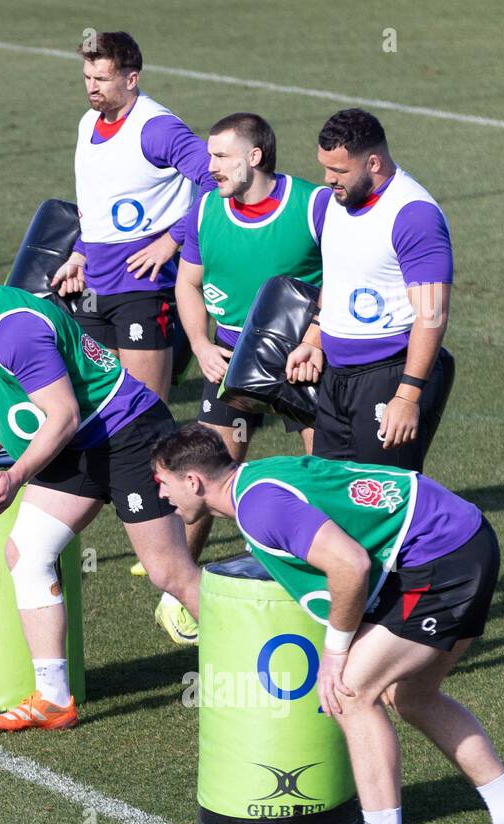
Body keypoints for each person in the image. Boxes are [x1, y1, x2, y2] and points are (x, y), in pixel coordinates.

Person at [152, 423, 504, 824]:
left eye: (162, 483)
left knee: (349, 692)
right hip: (459, 538)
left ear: (193, 481)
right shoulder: (259, 479)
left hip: (441, 553)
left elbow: (350, 565)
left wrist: (335, 652)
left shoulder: (259, 507)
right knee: (412, 697)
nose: (161, 497)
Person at [0, 229, 201, 733]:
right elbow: (7, 413)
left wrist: (17, 475)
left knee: (168, 573)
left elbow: (61, 415)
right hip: (79, 443)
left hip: (126, 434)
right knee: (26, 552)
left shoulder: (11, 330)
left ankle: (254, 663)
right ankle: (54, 699)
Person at [174, 112, 326, 558]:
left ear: (254, 156)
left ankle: (322, 577)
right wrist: (201, 345)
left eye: (221, 156)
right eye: (209, 156)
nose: (211, 166)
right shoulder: (205, 208)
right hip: (227, 351)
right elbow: (188, 283)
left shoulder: (313, 205)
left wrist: (313, 341)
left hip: (299, 355)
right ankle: (181, 588)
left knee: (322, 472)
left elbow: (344, 276)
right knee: (203, 473)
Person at [50, 31, 214, 402]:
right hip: (95, 287)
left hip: (143, 288)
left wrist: (172, 240)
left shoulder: (157, 128)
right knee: (102, 406)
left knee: (146, 410)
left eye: (102, 79)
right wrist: (79, 253)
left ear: (131, 78)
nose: (92, 88)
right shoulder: (87, 123)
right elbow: (96, 203)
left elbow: (215, 182)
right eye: (88, 78)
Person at [286, 109, 453, 471]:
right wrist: (314, 339)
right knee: (331, 492)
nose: (329, 180)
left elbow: (432, 313)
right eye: (325, 168)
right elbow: (341, 277)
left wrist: (407, 396)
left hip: (387, 375)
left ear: (373, 162)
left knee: (383, 500)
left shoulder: (413, 215)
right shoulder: (333, 203)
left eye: (340, 171)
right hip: (336, 377)